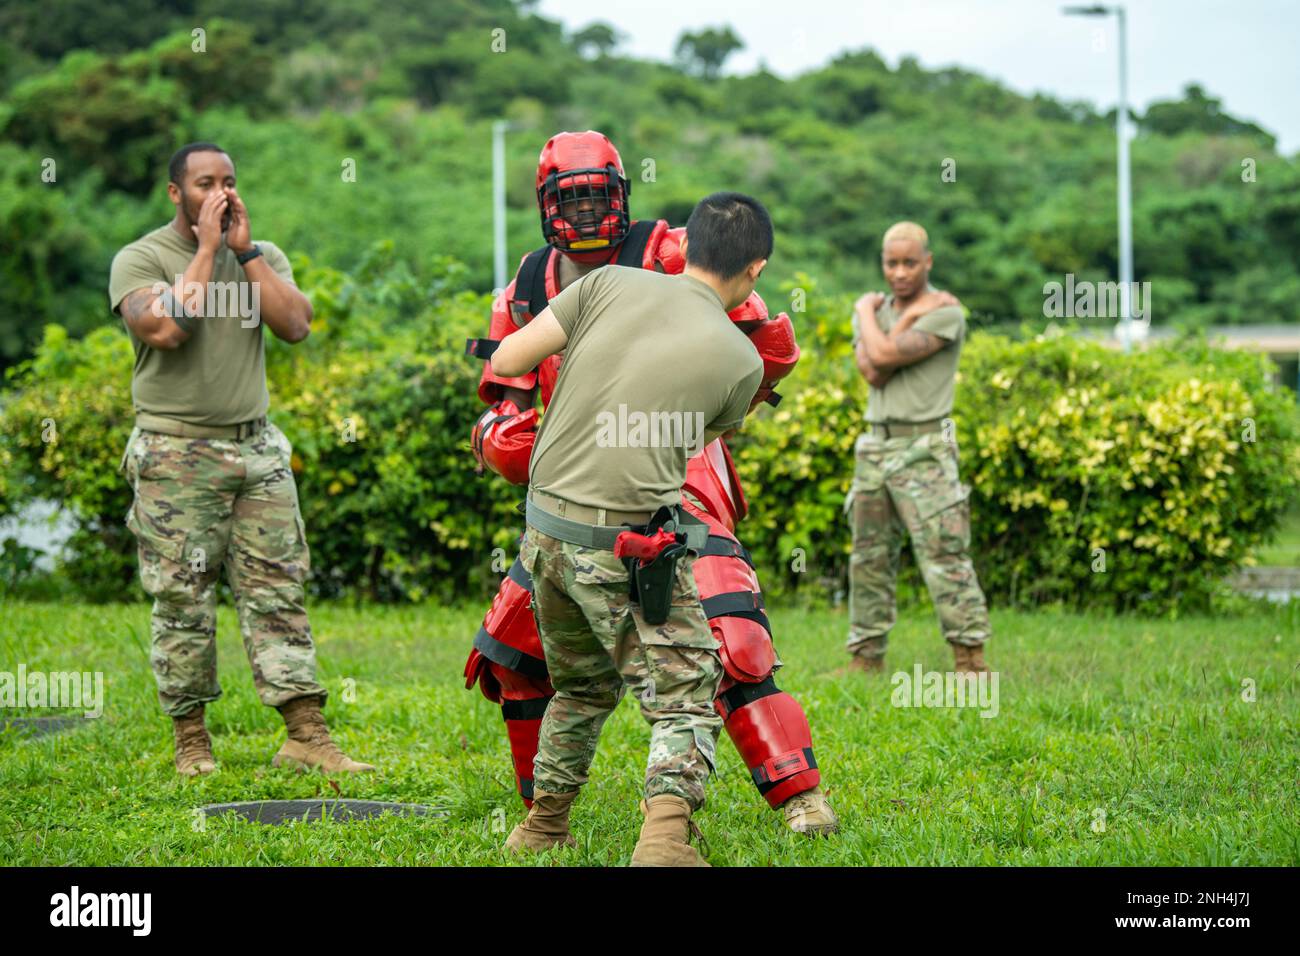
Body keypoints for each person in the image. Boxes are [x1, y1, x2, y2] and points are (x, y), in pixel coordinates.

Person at [463, 131, 836, 836]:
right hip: (571, 464)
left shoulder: (669, 250)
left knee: (728, 625)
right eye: (568, 201)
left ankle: (799, 796)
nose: (583, 215)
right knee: (513, 652)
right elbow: (503, 390)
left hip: (673, 471)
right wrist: (499, 439)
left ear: (622, 194)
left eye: (596, 197)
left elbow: (766, 346)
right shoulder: (526, 280)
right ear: (544, 205)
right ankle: (543, 815)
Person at [489, 191, 778, 865]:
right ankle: (664, 843)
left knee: (583, 687)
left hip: (543, 538)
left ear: (686, 245)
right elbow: (697, 436)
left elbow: (507, 362)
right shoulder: (743, 362)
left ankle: (542, 825)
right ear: (755, 269)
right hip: (622, 547)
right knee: (685, 690)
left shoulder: (607, 283)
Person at [108, 142, 372, 776]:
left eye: (228, 181)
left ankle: (306, 736)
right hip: (176, 451)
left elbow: (297, 326)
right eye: (205, 183)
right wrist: (205, 251)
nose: (220, 194)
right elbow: (167, 329)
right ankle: (192, 741)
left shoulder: (261, 256)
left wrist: (246, 252)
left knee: (278, 590)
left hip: (256, 448)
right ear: (177, 193)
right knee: (183, 599)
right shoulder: (140, 259)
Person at [846, 220, 992, 675]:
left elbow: (884, 357)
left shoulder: (947, 313)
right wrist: (896, 318)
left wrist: (865, 313)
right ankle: (865, 659)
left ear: (928, 262)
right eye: (892, 263)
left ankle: (970, 661)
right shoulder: (883, 312)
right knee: (868, 556)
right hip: (874, 445)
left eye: (911, 262)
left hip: (925, 446)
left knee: (943, 553)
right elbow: (874, 375)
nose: (901, 272)